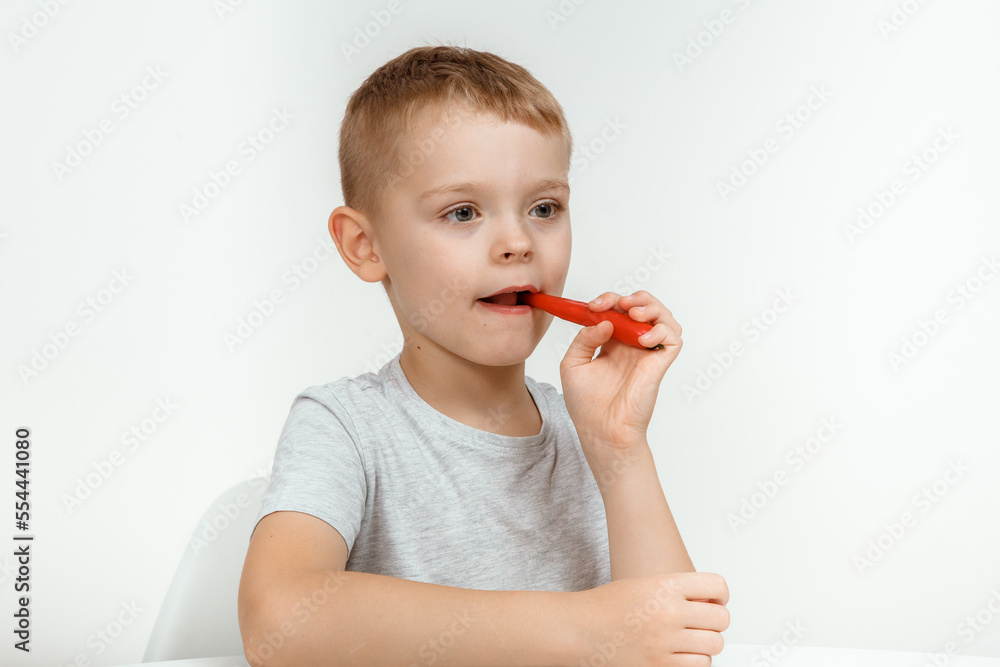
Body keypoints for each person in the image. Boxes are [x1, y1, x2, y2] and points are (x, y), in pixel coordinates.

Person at [238, 44, 729, 666]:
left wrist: (619, 449)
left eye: (544, 208)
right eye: (463, 212)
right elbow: (278, 622)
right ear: (365, 245)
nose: (519, 242)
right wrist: (581, 631)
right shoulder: (345, 426)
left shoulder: (583, 431)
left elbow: (674, 644)